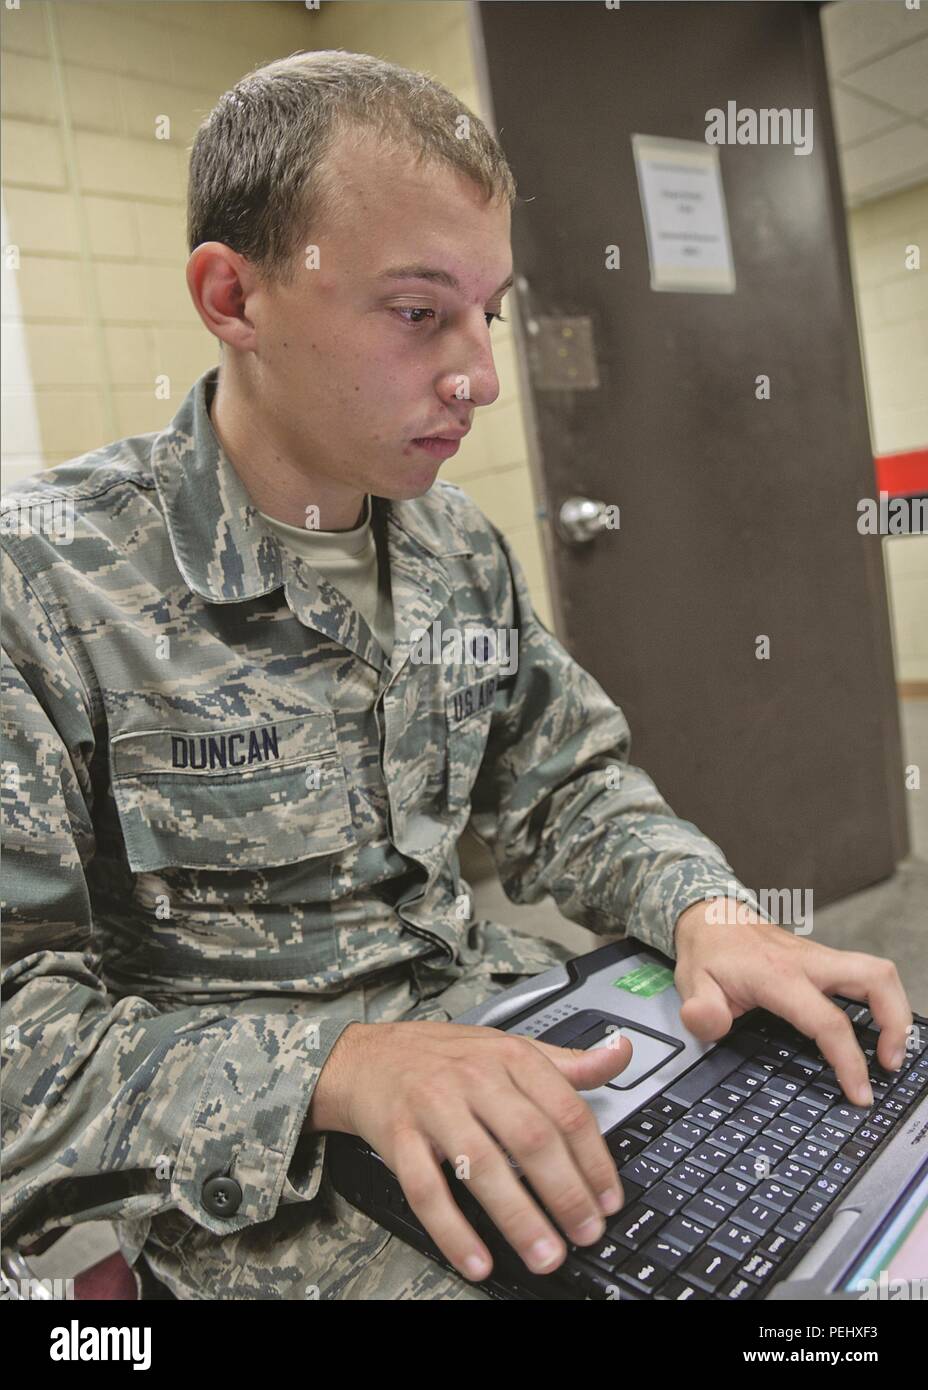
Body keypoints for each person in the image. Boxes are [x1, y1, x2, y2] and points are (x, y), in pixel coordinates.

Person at [0, 50, 912, 1302]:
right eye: (420, 311)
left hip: (518, 1050)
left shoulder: (448, 542)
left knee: (840, 1191)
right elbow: (16, 1038)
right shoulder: (44, 581)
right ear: (233, 295)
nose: (480, 374)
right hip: (272, 1176)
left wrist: (708, 911)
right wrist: (337, 1069)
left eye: (488, 308)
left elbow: (566, 786)